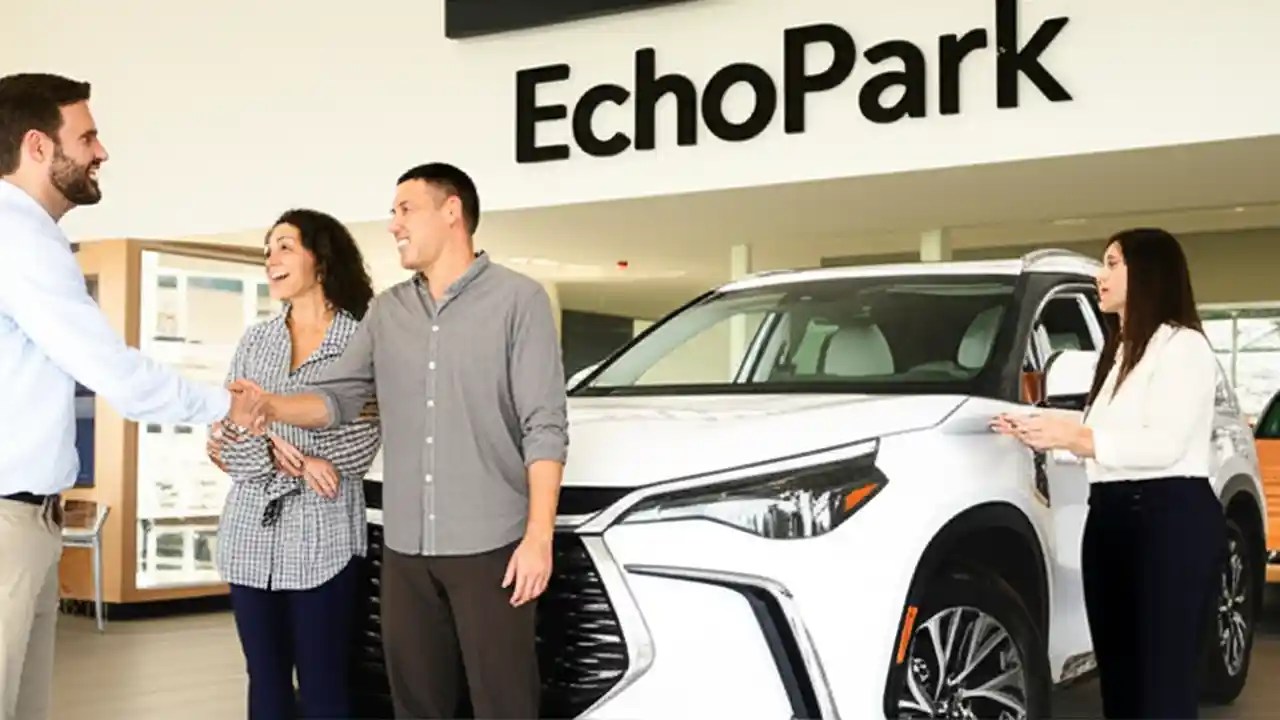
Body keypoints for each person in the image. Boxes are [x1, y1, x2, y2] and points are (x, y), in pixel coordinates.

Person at [234, 162, 568, 719]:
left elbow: (545, 425)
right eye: (393, 213)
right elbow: (338, 397)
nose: (393, 224)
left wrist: (539, 537)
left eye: (405, 210)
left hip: (492, 547)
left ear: (452, 211)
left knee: (503, 705)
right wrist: (269, 406)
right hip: (406, 551)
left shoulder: (519, 300)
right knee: (415, 706)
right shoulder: (388, 311)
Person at [0, 72, 258, 719]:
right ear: (37, 146)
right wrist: (230, 406)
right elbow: (114, 373)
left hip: (28, 523)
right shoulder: (19, 237)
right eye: (86, 137)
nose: (101, 151)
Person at [992, 228, 1225, 719]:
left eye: (1113, 263)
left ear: (1150, 272)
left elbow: (1163, 445)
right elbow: (1106, 440)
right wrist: (1040, 431)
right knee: (1119, 683)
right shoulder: (1119, 352)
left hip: (1169, 522)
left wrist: (1074, 437)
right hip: (1111, 518)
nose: (1101, 275)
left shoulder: (1183, 347)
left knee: (1162, 687)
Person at [205, 209, 382, 719]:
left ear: (320, 259)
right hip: (248, 536)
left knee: (325, 685)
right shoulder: (255, 341)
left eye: (284, 246)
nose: (271, 259)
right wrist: (301, 461)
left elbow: (358, 445)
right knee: (264, 681)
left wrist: (263, 434)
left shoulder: (361, 341)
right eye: (267, 250)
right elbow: (227, 443)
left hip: (326, 538)